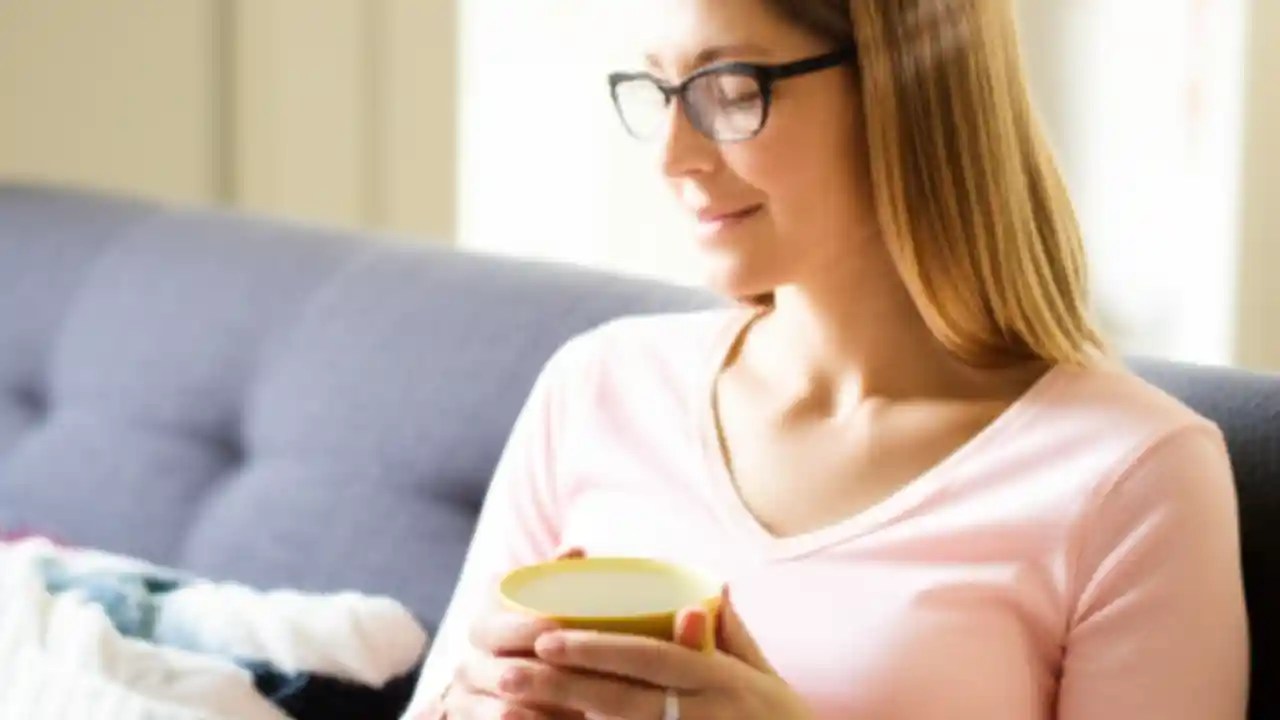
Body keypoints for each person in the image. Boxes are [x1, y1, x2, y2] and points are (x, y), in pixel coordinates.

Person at [406, 0, 1249, 717]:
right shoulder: (599, 386)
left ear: (907, 83)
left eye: (729, 91)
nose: (673, 156)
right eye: (660, 89)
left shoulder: (1133, 476)